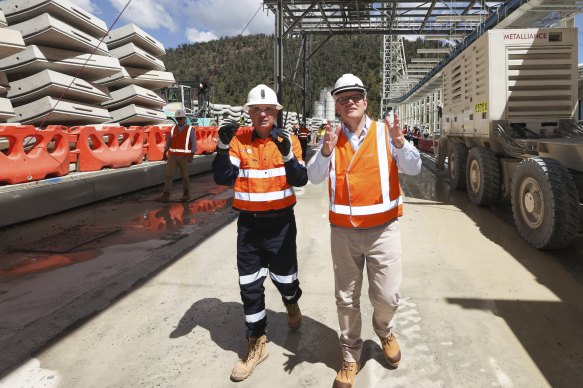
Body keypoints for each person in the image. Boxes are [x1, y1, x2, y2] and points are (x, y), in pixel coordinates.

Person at [306, 74, 421, 388]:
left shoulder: (387, 133)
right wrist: (325, 153)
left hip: (383, 231)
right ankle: (350, 355)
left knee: (387, 296)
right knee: (346, 299)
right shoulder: (330, 138)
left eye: (355, 95)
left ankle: (384, 330)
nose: (350, 101)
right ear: (338, 108)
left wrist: (401, 144)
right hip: (343, 233)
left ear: (365, 101)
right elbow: (313, 177)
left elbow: (414, 168)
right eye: (343, 99)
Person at [212, 84, 308, 382]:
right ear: (249, 114)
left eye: (268, 110)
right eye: (256, 110)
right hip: (249, 226)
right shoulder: (240, 139)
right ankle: (257, 343)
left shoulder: (288, 139)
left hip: (281, 224)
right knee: (249, 285)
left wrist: (288, 154)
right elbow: (223, 177)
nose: (262, 114)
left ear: (276, 112)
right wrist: (222, 147)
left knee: (285, 280)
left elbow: (301, 179)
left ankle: (291, 303)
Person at [155, 109, 197, 203]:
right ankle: (166, 194)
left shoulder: (190, 129)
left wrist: (191, 156)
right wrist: (164, 152)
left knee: (185, 176)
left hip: (184, 156)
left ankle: (186, 194)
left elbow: (194, 144)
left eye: (181, 118)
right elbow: (168, 141)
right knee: (168, 175)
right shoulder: (173, 128)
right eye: (177, 119)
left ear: (184, 119)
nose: (179, 120)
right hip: (172, 156)